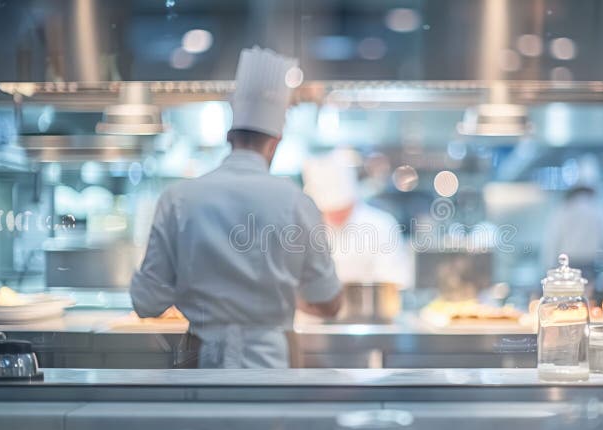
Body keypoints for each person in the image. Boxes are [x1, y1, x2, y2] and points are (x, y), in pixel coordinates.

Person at [129, 47, 344, 369]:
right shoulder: (297, 202)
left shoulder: (177, 199)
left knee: (204, 422)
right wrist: (282, 291)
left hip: (200, 362)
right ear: (276, 141)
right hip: (274, 365)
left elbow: (146, 303)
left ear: (229, 136)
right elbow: (328, 303)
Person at [302, 151, 410, 288]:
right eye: (329, 212)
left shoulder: (381, 225)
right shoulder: (308, 230)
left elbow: (394, 279)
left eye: (342, 210)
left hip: (370, 307)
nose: (335, 217)